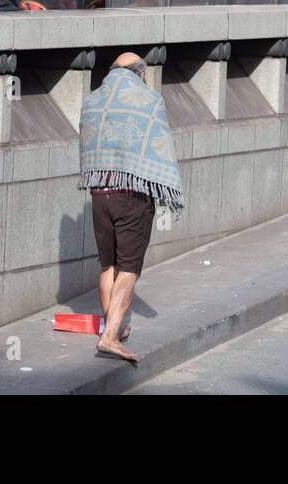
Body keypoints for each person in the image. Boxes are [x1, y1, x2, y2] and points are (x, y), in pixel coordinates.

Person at [79, 52, 184, 364]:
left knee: (107, 266)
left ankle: (114, 326)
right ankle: (110, 337)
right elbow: (159, 143)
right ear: (139, 74)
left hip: (99, 192)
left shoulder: (94, 100)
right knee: (129, 268)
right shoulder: (148, 101)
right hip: (132, 195)